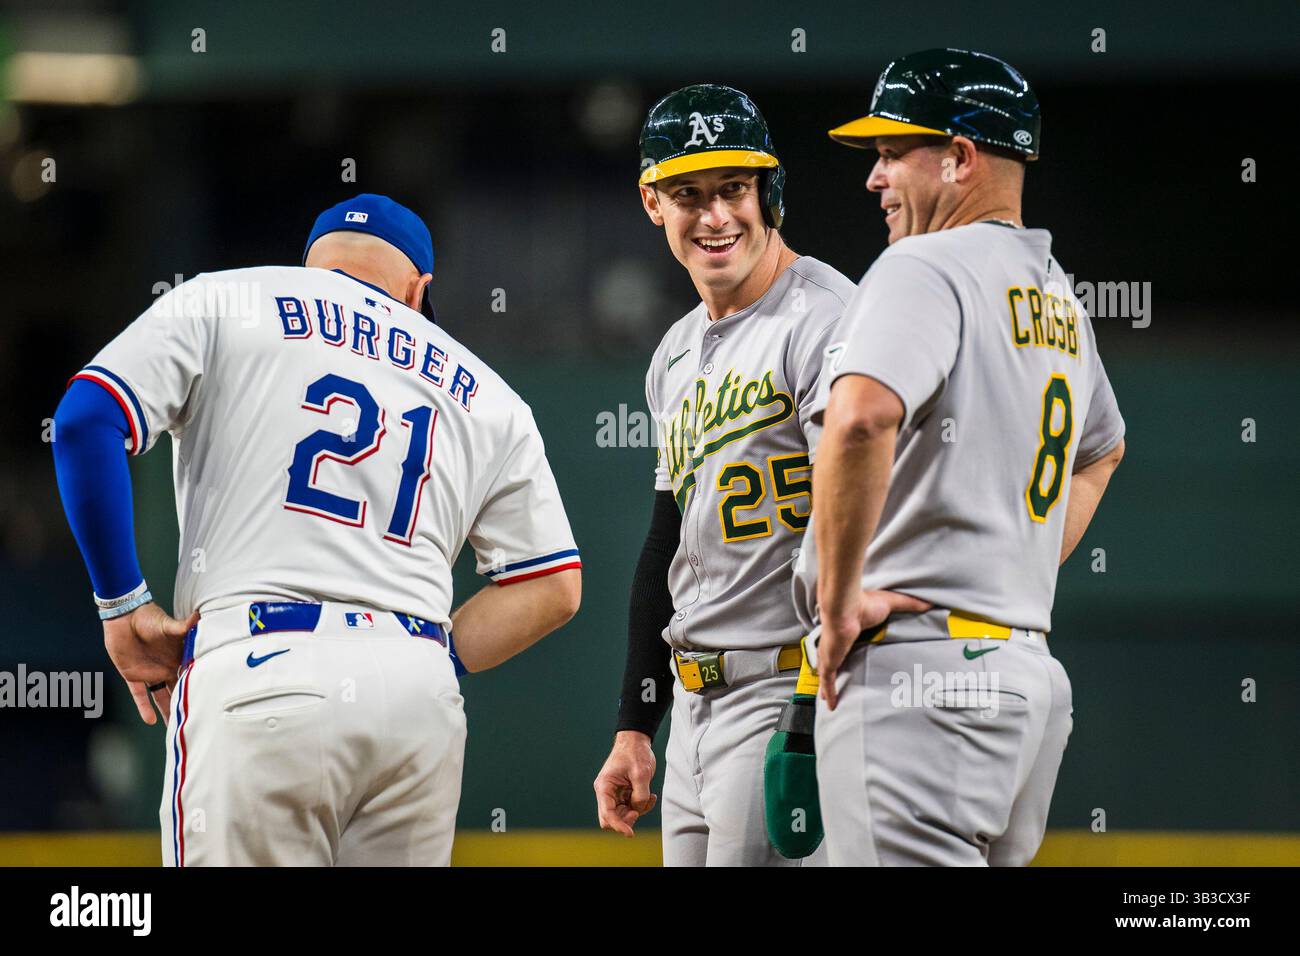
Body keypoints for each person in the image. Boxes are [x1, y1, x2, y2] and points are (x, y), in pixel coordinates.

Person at [51, 193, 582, 866]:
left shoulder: (229, 298)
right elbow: (554, 586)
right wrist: (415, 659)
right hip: (416, 698)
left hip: (264, 667)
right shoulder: (488, 392)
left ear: (313, 265)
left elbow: (82, 421)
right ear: (419, 289)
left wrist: (122, 606)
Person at [795, 48, 1126, 866]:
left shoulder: (925, 264)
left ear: (961, 157)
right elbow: (1102, 452)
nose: (874, 179)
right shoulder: (1059, 298)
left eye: (889, 153)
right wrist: (1007, 570)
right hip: (1025, 679)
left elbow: (861, 419)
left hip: (922, 678)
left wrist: (836, 605)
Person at [592, 85, 854, 866]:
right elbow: (665, 541)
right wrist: (637, 723)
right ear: (651, 202)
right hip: (697, 708)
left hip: (788, 688)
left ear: (767, 188)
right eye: (688, 193)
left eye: (733, 189)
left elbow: (858, 501)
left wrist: (814, 699)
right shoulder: (672, 353)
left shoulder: (828, 317)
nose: (715, 217)